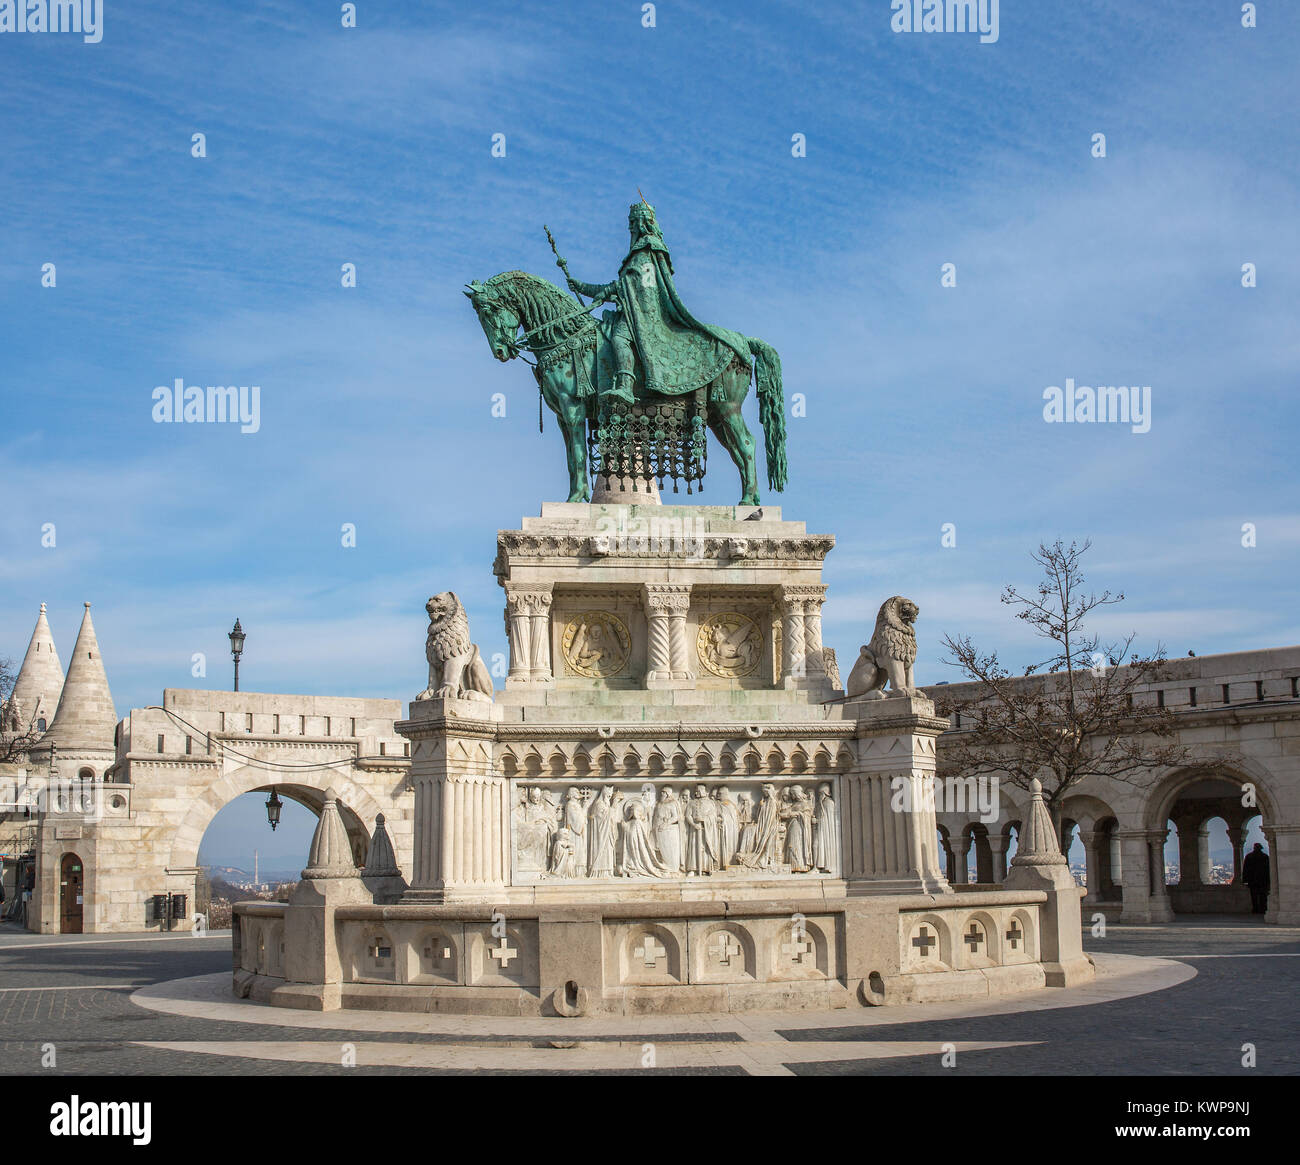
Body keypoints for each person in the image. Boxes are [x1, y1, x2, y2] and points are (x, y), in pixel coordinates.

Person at [1242, 842, 1270, 914]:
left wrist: (1245, 880)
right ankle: (1262, 909)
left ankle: (1255, 909)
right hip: (1262, 880)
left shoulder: (1249, 856)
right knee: (1263, 896)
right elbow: (1268, 870)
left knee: (1254, 896)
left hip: (1252, 880)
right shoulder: (1265, 857)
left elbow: (1245, 869)